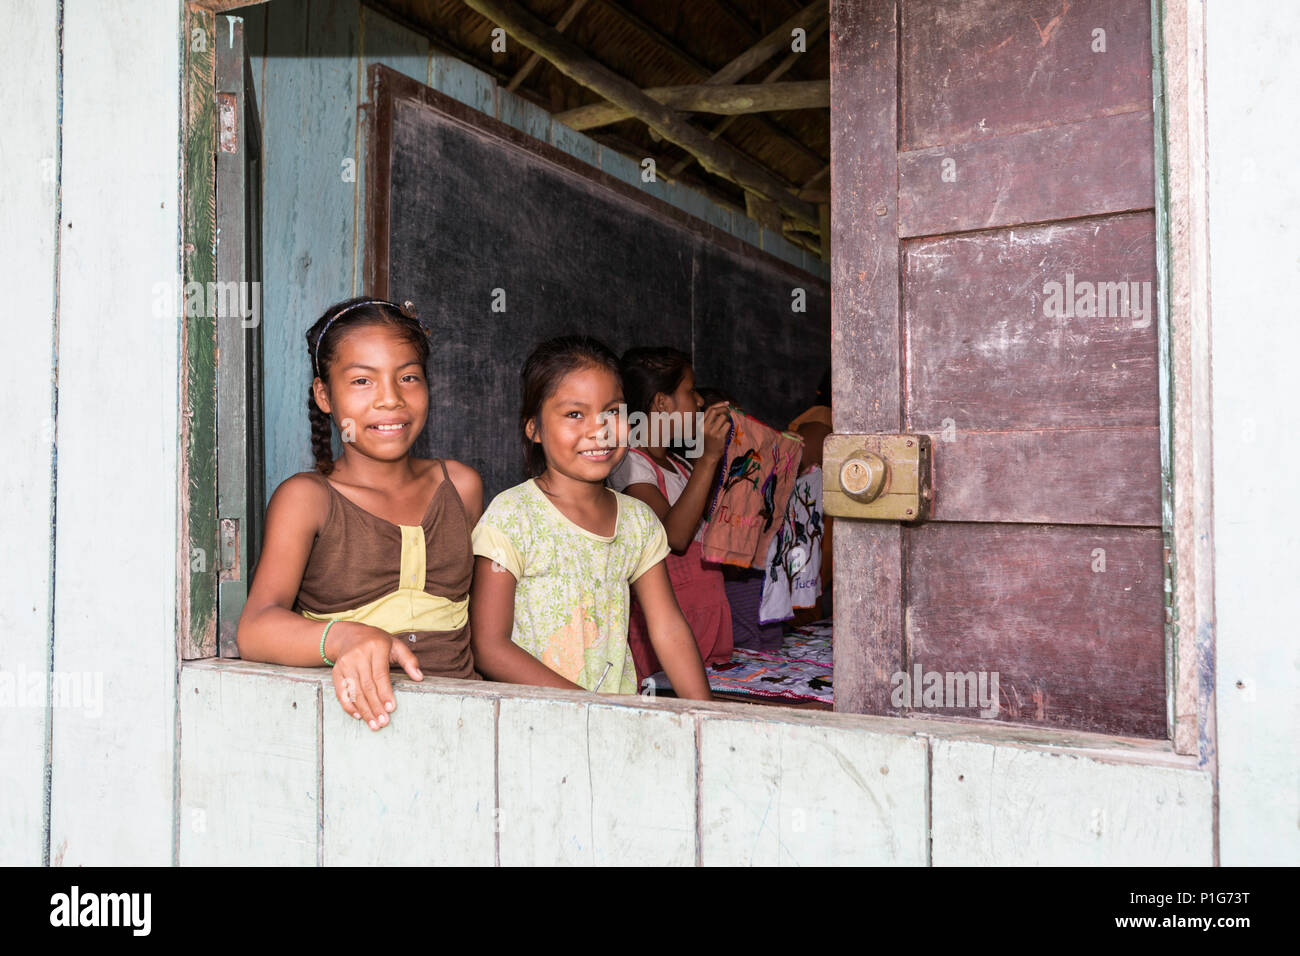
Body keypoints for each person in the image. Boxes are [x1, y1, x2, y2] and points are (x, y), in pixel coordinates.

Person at [236, 297, 484, 731]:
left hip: (468, 724)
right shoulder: (308, 499)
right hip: (349, 732)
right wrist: (348, 636)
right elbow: (255, 628)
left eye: (408, 377)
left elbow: (486, 627)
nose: (390, 399)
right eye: (362, 381)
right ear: (324, 395)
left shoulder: (460, 487)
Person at [469, 336, 712, 699]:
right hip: (535, 728)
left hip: (618, 719)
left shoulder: (638, 522)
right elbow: (490, 647)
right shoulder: (513, 517)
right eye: (574, 414)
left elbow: (669, 630)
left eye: (613, 411)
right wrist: (587, 707)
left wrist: (705, 718)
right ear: (533, 428)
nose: (599, 430)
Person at [607, 348, 734, 681]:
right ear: (662, 403)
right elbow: (673, 537)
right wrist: (707, 460)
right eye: (690, 392)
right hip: (666, 630)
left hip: (703, 617)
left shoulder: (679, 465)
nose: (699, 403)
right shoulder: (630, 463)